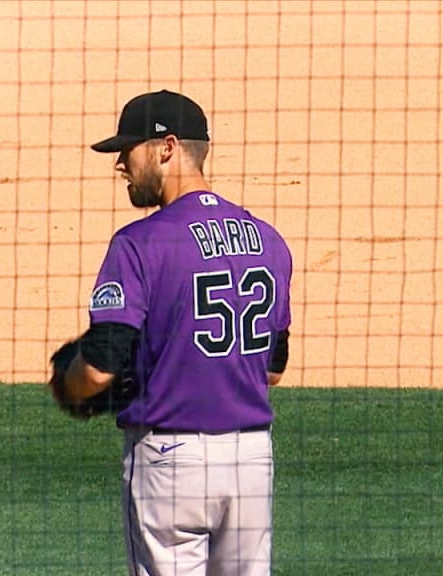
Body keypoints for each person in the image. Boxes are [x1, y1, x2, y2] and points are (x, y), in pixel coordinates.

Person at [50, 90, 293, 576]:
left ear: (167, 148)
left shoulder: (139, 244)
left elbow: (98, 368)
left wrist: (67, 385)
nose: (121, 163)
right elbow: (272, 370)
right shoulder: (269, 240)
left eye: (129, 149)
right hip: (250, 460)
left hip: (170, 465)